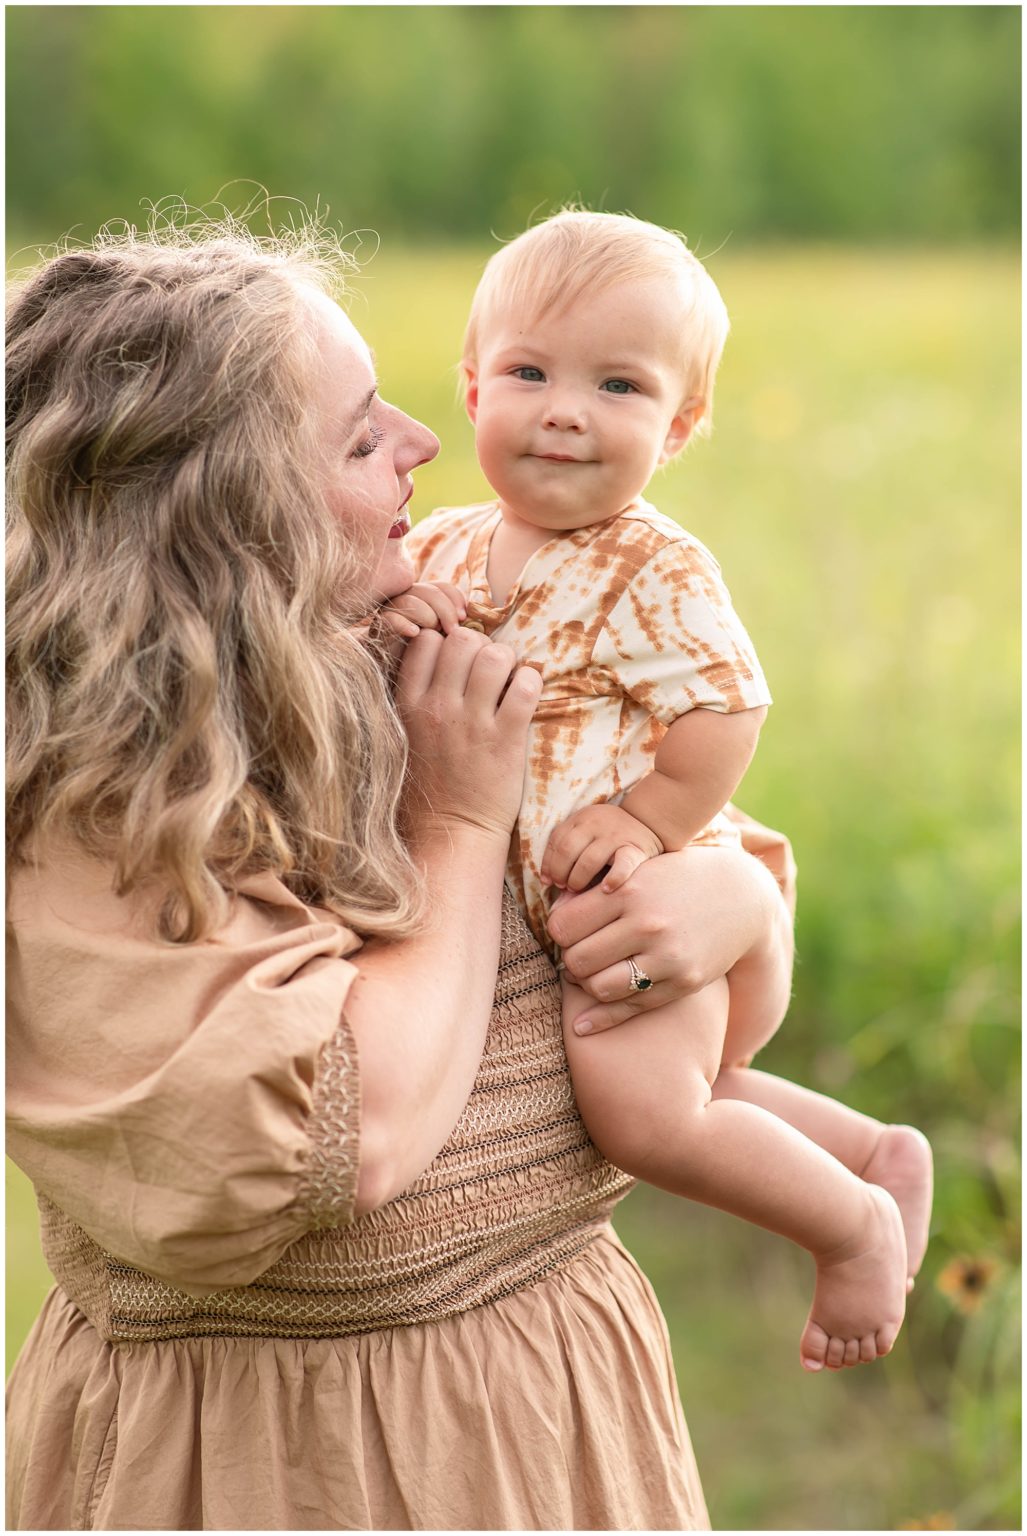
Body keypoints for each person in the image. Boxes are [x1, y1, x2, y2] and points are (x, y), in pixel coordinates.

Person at [6, 217, 797, 1531]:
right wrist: (460, 822)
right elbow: (344, 1140)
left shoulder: (384, 662)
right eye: (360, 435)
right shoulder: (86, 809)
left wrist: (742, 901)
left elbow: (669, 906)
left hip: (544, 1402)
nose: (427, 441)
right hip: (276, 1457)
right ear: (226, 506)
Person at [400, 209, 933, 1375]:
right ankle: (872, 1153)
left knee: (646, 1117)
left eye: (619, 386)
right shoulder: (439, 544)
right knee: (708, 1084)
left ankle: (850, 1226)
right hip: (546, 905)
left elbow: (725, 711)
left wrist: (646, 821)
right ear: (473, 387)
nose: (565, 410)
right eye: (529, 373)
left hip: (633, 901)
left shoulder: (653, 564)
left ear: (680, 424)